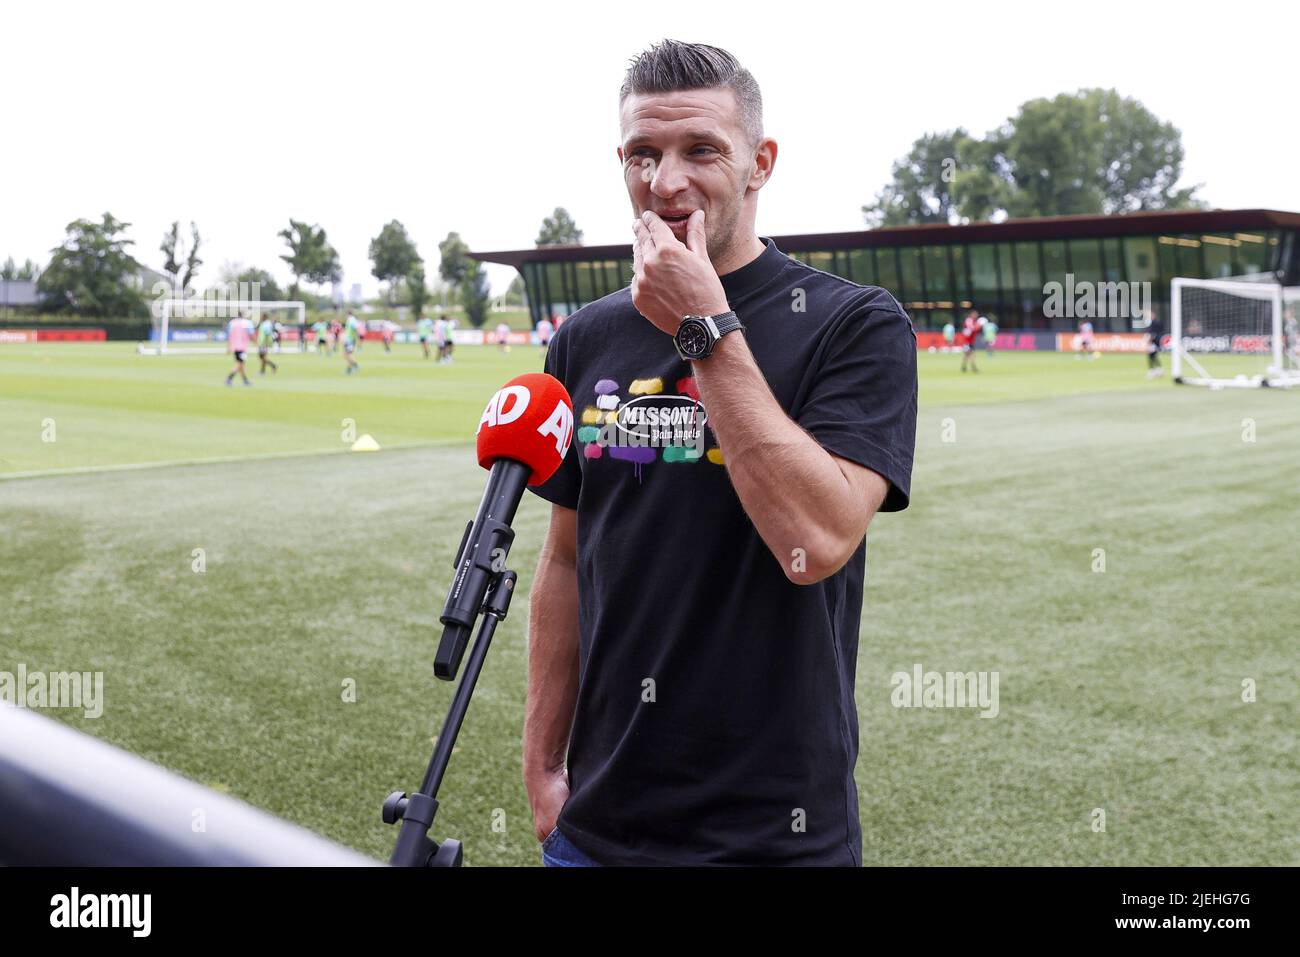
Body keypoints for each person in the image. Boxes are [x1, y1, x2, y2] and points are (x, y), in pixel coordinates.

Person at [525, 39, 916, 868]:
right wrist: (542, 766)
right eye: (643, 153)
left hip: (775, 836)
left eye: (701, 149)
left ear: (759, 164)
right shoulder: (585, 337)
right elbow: (563, 561)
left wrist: (703, 326)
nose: (666, 182)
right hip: (595, 827)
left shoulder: (855, 325)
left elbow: (816, 540)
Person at [224, 311, 254, 386]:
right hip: (242, 347)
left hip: (235, 347)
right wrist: (256, 343)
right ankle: (229, 379)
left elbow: (229, 336)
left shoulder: (232, 323)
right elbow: (251, 334)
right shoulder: (247, 323)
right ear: (243, 316)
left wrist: (228, 347)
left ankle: (245, 380)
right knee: (239, 364)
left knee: (241, 364)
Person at [959, 308, 982, 373]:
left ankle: (964, 367)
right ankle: (972, 367)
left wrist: (978, 326)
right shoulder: (968, 320)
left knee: (968, 355)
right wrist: (979, 326)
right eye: (975, 314)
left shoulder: (975, 321)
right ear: (971, 314)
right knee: (970, 354)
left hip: (971, 341)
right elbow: (971, 329)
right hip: (967, 342)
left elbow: (975, 329)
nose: (976, 315)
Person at [1144, 309, 1165, 379]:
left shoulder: (1155, 323)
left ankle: (1152, 371)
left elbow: (1152, 333)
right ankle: (1158, 370)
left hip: (1155, 342)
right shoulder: (1150, 322)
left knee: (1151, 356)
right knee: (1153, 356)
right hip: (1154, 342)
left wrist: (1150, 339)